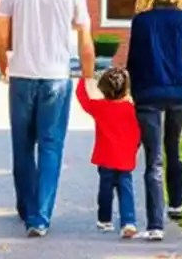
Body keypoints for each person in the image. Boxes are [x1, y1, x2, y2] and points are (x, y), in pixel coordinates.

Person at [0, 0, 95, 239]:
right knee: (51, 146)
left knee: (22, 146)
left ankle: (26, 207)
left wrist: (3, 63)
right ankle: (41, 216)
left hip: (22, 74)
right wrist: (88, 77)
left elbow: (0, 32)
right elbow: (85, 41)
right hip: (56, 76)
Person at [126, 0, 182, 241]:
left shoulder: (141, 22)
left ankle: (155, 224)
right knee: (174, 147)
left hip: (147, 93)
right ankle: (177, 203)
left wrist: (131, 93)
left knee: (153, 159)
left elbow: (133, 62)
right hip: (177, 91)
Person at [75, 66, 140, 239]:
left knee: (105, 188)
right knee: (125, 187)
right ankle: (128, 221)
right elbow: (139, 131)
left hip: (105, 156)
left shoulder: (100, 107)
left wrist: (84, 77)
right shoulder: (131, 109)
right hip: (125, 156)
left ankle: (105, 219)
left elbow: (83, 98)